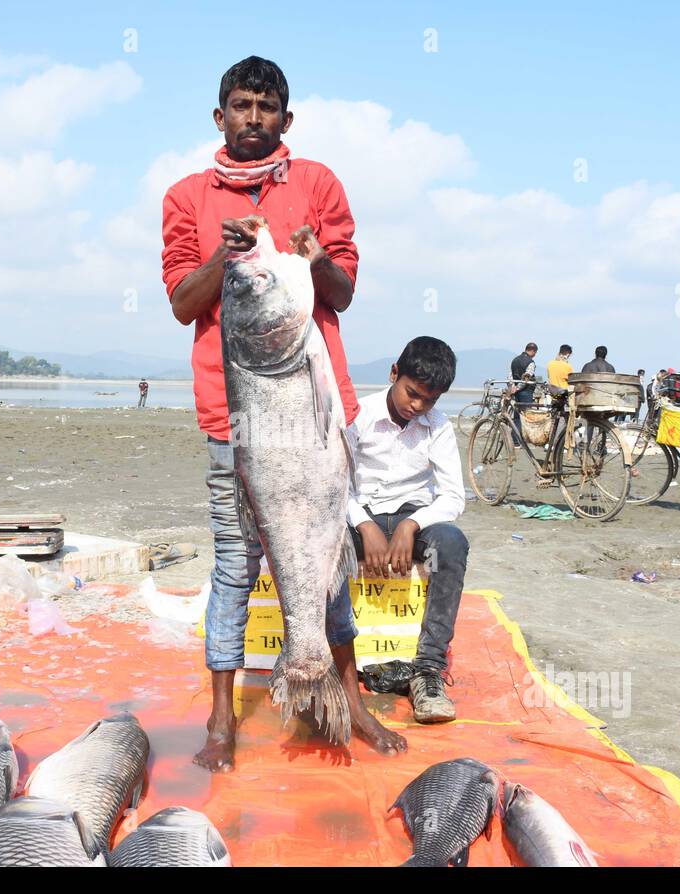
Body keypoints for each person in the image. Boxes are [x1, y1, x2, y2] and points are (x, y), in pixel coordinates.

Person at [161, 56, 403, 771]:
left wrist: (317, 257)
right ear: (219, 116)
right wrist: (226, 257)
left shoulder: (318, 183)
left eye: (267, 108)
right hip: (231, 416)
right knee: (236, 566)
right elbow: (182, 302)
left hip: (319, 414)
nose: (253, 118)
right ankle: (221, 719)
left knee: (329, 560)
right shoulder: (184, 196)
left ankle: (348, 699)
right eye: (241, 106)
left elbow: (344, 288)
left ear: (285, 119)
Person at [347, 336, 467, 724]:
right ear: (393, 373)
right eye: (412, 393)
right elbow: (334, 486)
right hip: (357, 515)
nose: (417, 406)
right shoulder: (356, 416)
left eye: (429, 401)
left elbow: (453, 497)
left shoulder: (439, 427)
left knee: (451, 542)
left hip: (412, 518)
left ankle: (427, 672)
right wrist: (364, 524)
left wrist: (412, 524)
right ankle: (330, 664)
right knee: (318, 542)